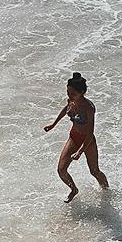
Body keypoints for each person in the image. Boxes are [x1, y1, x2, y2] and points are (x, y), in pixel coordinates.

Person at [46, 70, 108, 200]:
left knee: (94, 171)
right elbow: (66, 109)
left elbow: (90, 133)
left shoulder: (88, 108)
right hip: (74, 137)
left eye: (73, 93)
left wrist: (80, 152)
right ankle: (74, 189)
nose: (69, 96)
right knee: (61, 170)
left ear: (82, 93)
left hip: (87, 141)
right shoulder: (71, 100)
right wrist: (53, 124)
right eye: (68, 92)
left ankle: (106, 192)